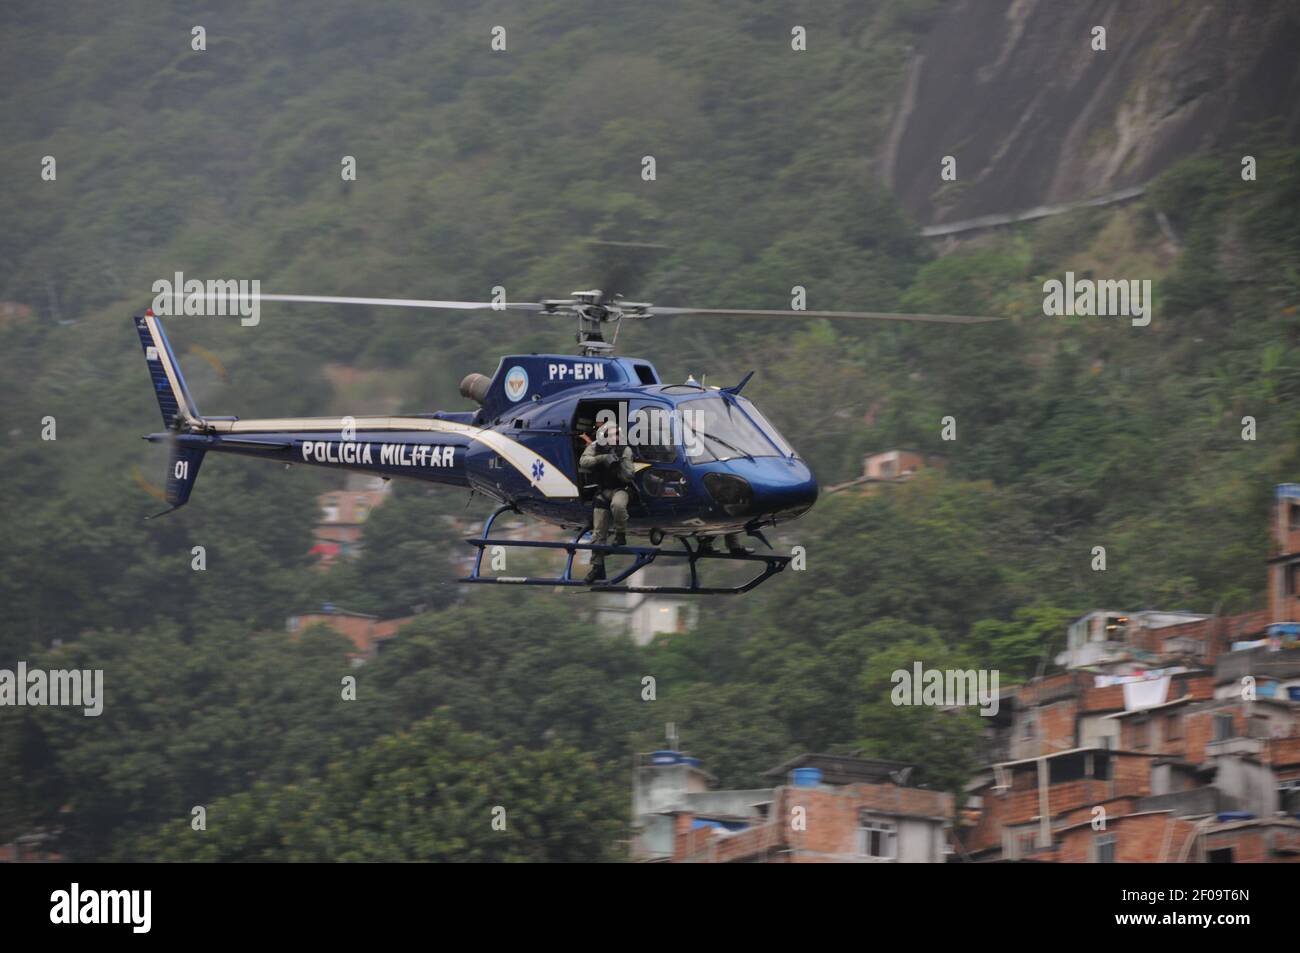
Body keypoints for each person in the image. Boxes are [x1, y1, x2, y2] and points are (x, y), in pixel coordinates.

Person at [580, 420, 637, 584]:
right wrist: (603, 458)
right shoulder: (595, 447)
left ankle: (620, 535)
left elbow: (629, 475)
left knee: (617, 505)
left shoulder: (624, 449)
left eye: (617, 434)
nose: (615, 437)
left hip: (621, 489)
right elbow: (584, 461)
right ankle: (596, 567)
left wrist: (620, 463)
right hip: (603, 491)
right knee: (598, 531)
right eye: (611, 435)